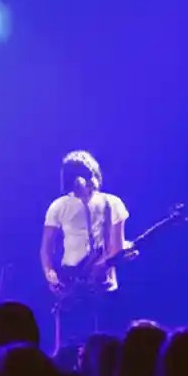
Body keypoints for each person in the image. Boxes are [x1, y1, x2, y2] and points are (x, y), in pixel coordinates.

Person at [39, 150, 130, 353]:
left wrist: (108, 262)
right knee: (69, 345)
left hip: (103, 284)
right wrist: (50, 274)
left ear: (92, 176)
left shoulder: (112, 203)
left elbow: (117, 244)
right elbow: (46, 248)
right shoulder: (58, 206)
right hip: (70, 282)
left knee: (105, 345)